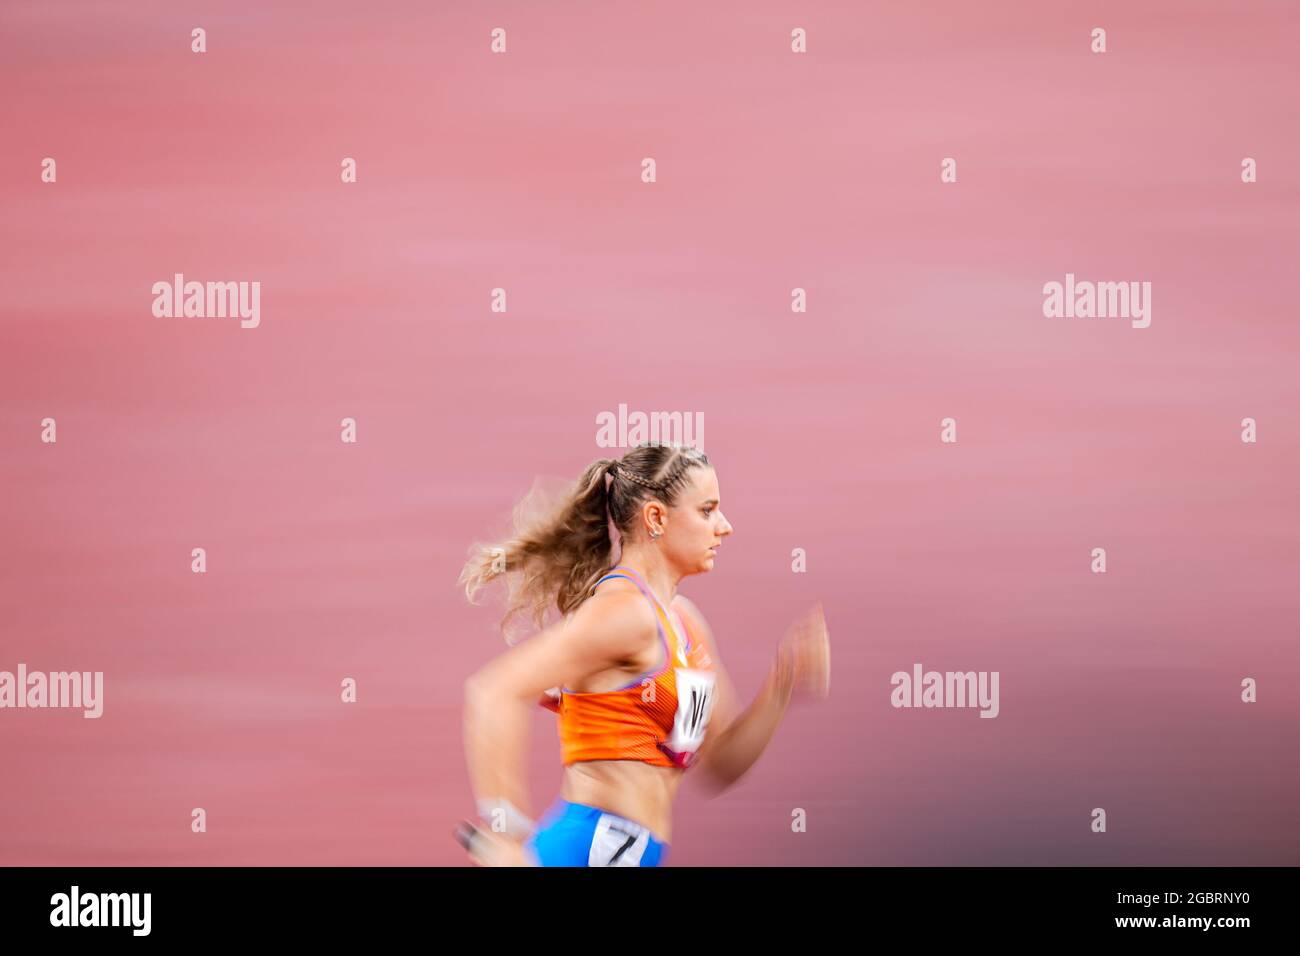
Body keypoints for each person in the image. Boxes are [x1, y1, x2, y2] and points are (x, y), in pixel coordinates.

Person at [456, 442, 830, 866]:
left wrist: (780, 687)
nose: (724, 526)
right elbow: (493, 692)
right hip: (585, 850)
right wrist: (506, 834)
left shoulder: (686, 624)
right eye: (707, 510)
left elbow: (721, 762)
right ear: (656, 518)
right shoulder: (624, 613)